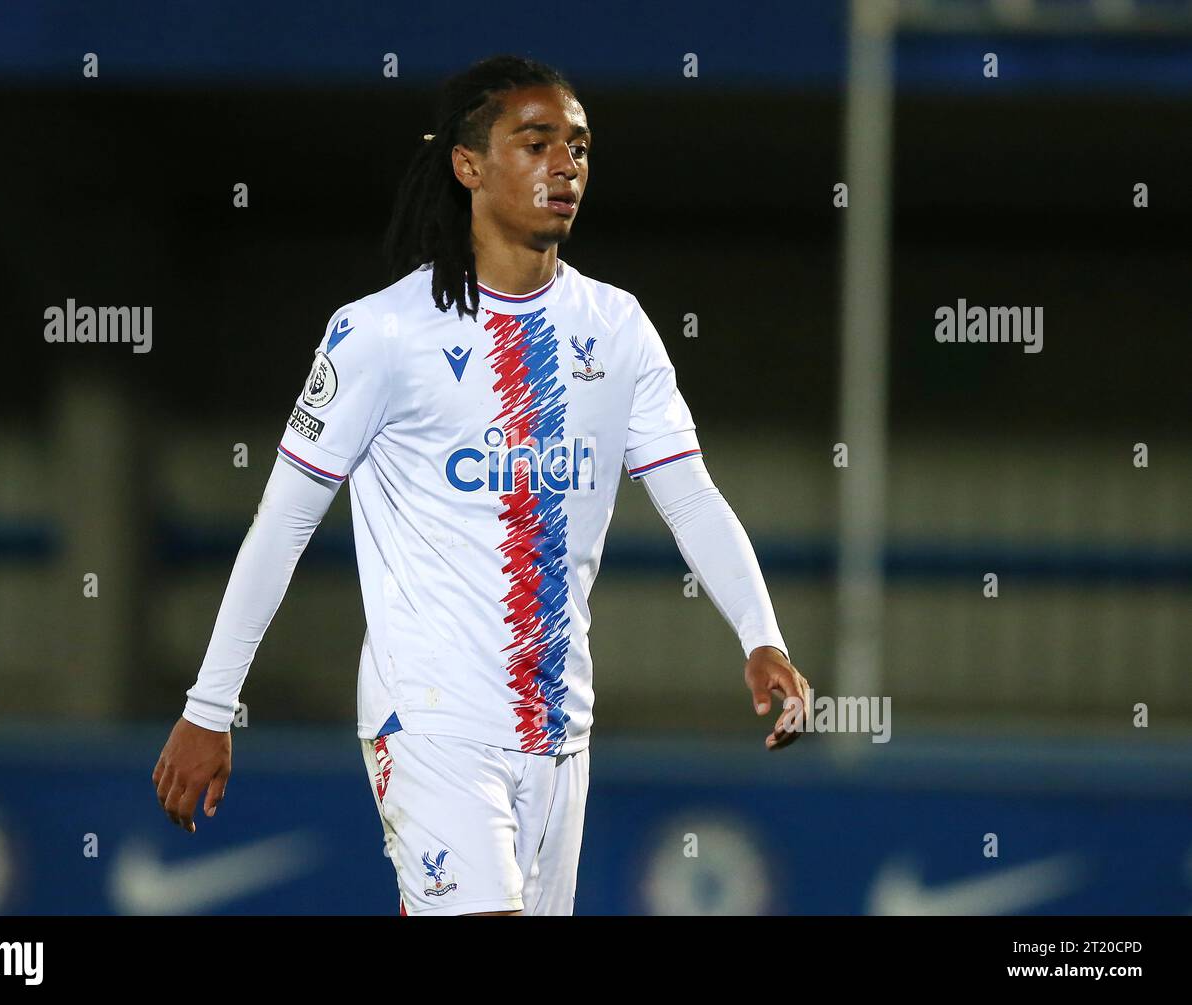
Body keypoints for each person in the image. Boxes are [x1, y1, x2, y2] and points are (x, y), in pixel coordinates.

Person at [153, 53, 811, 917]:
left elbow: (689, 494)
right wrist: (211, 703)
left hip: (558, 731)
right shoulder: (381, 334)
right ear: (469, 165)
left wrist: (760, 634)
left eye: (577, 145)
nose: (565, 164)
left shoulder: (616, 329)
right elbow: (282, 523)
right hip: (429, 720)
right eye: (535, 143)